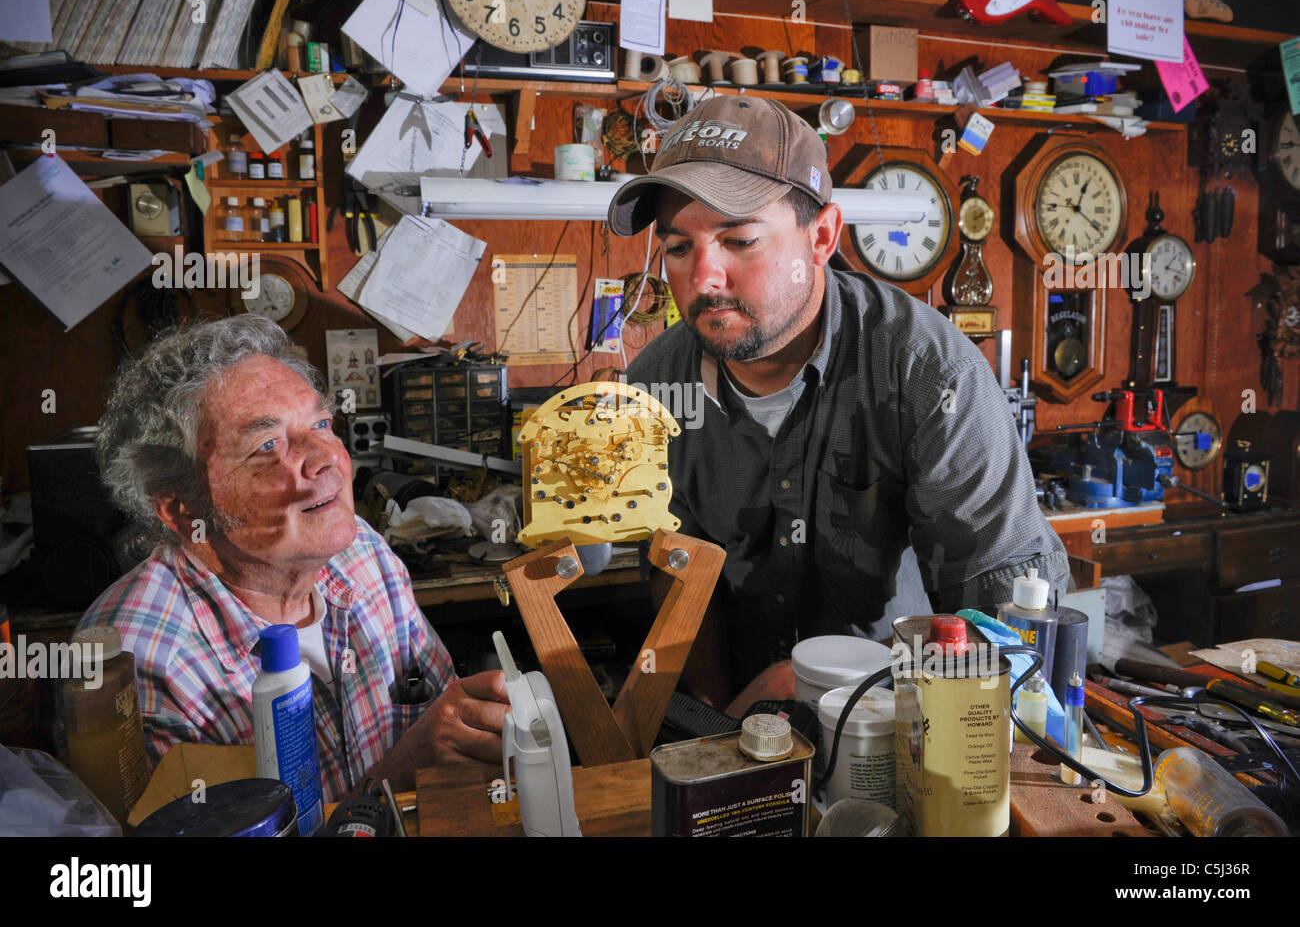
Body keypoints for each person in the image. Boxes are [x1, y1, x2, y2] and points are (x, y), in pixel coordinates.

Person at [608, 96, 1071, 714]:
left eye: (739, 239)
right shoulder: (653, 390)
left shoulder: (927, 373)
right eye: (678, 248)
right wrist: (717, 723)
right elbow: (679, 582)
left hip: (908, 716)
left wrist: (836, 678)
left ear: (821, 235)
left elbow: (1010, 627)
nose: (705, 277)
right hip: (744, 719)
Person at [78, 316, 509, 800]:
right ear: (182, 508)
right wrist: (402, 773)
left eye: (321, 424)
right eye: (268, 445)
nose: (326, 458)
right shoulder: (146, 669)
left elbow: (444, 725)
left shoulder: (362, 552)